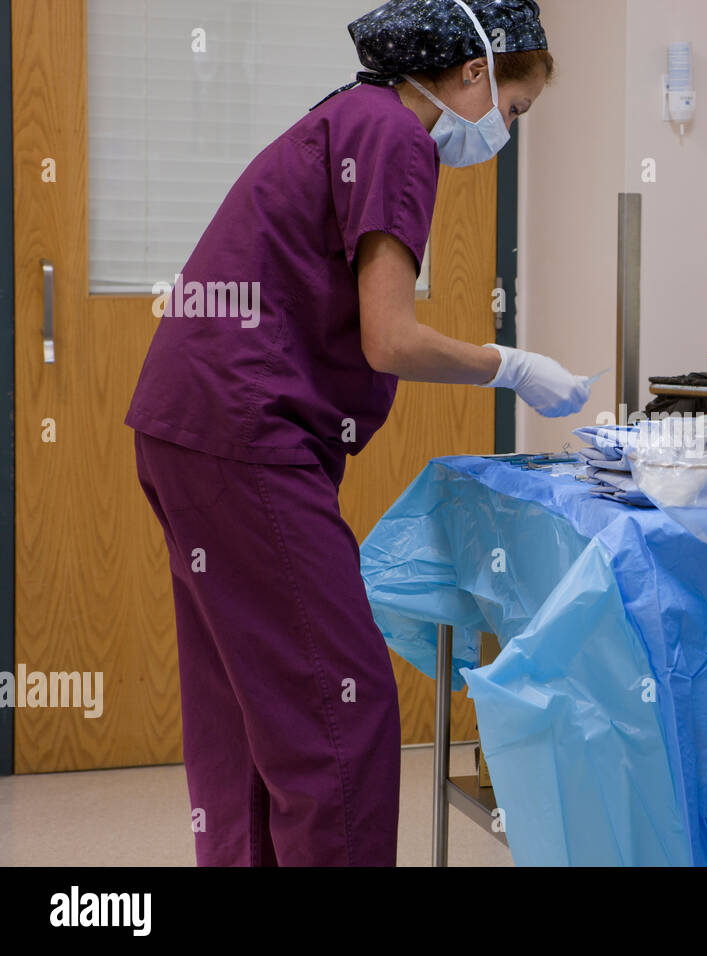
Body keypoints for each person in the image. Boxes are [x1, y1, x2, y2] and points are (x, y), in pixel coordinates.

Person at [126, 0, 586, 866]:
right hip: (245, 429)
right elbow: (389, 336)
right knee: (343, 704)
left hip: (193, 423)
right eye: (513, 113)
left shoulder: (352, 116)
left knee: (244, 698)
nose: (504, 134)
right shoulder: (396, 138)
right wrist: (513, 365)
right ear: (475, 74)